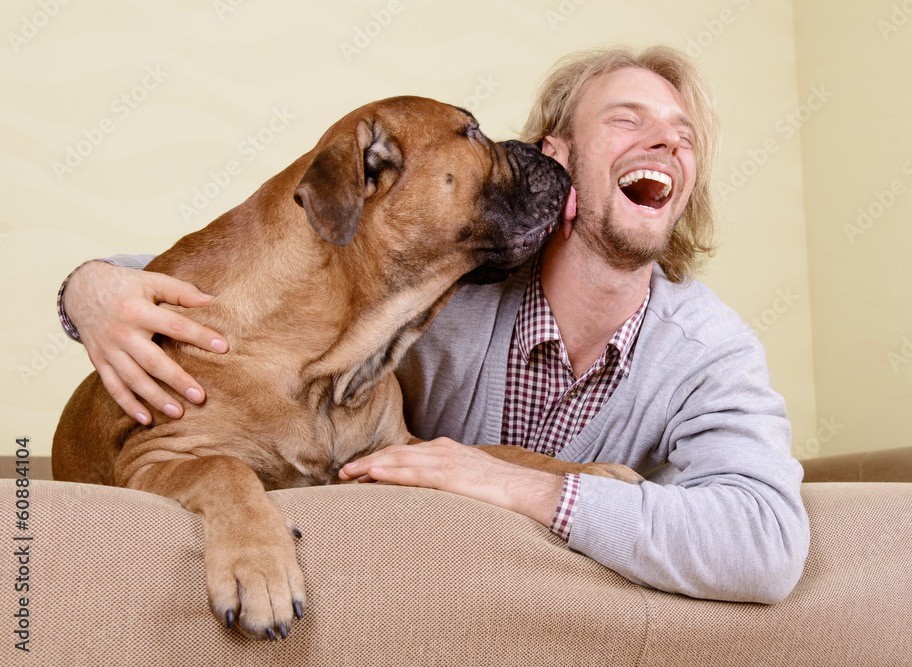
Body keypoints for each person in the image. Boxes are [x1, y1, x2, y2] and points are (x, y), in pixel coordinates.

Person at [59, 45, 809, 603]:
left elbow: (768, 543)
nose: (669, 141)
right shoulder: (429, 285)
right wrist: (86, 288)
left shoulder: (710, 348)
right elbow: (239, 279)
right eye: (628, 119)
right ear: (556, 159)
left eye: (684, 134)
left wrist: (526, 485)